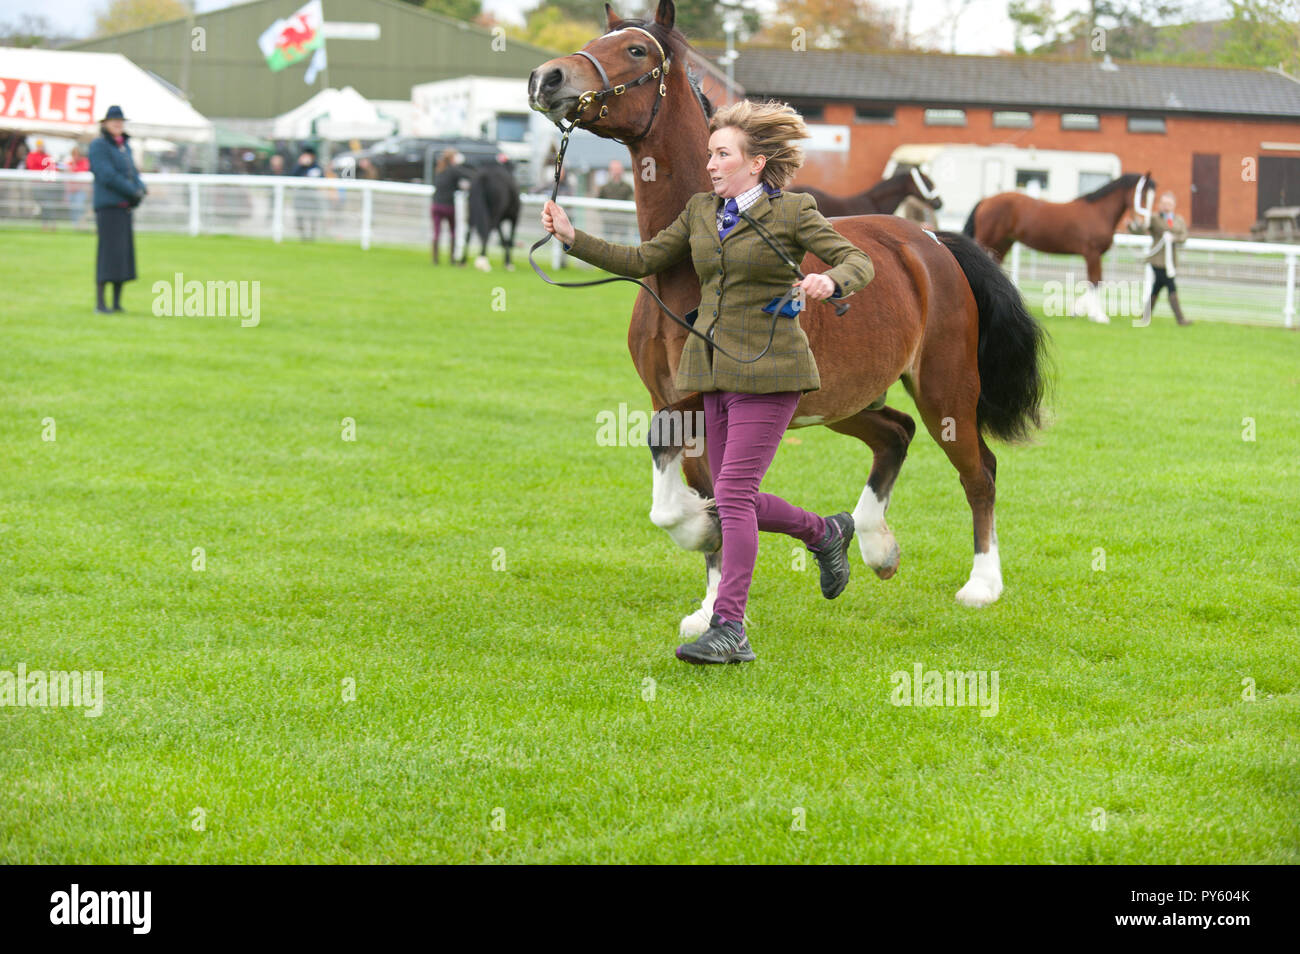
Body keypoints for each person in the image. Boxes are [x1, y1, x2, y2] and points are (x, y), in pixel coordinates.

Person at [541, 100, 875, 665]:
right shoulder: (701, 211)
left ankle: (730, 627)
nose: (712, 163)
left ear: (755, 163)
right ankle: (824, 532)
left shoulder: (794, 211)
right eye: (710, 153)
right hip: (713, 370)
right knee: (727, 498)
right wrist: (575, 239)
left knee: (735, 496)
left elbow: (857, 259)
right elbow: (643, 258)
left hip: (772, 372)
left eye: (723, 155)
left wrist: (829, 282)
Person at [88, 105, 146, 314]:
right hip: (108, 208)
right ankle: (101, 303)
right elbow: (107, 175)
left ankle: (117, 302)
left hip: (125, 209)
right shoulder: (98, 146)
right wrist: (132, 191)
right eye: (114, 121)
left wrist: (141, 189)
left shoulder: (125, 147)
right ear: (105, 123)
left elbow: (133, 173)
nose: (118, 124)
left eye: (120, 121)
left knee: (122, 255)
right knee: (108, 254)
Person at [1129, 190, 1191, 326]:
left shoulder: (1178, 220)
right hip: (1157, 260)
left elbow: (1184, 236)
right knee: (1170, 286)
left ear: (1174, 205)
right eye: (1163, 203)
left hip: (1171, 261)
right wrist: (1135, 225)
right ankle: (1180, 319)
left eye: (1168, 203)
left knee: (1157, 287)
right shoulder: (1154, 219)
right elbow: (1142, 228)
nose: (1165, 206)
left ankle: (1145, 316)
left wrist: (1173, 238)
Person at [432, 149, 472, 265]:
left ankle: (435, 259)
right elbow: (468, 175)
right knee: (453, 232)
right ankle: (452, 259)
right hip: (448, 206)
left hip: (436, 205)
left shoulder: (439, 169)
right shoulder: (454, 170)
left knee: (436, 232)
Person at [291, 145, 324, 241]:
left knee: (313, 216)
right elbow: (292, 176)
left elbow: (320, 178)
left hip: (312, 196)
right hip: (300, 195)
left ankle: (312, 235)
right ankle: (302, 235)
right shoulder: (299, 166)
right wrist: (301, 165)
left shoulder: (316, 167)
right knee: (300, 216)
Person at [65, 146, 91, 228]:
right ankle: (75, 226)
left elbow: (83, 171)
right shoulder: (70, 163)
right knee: (73, 209)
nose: (75, 157)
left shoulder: (85, 162)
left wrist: (73, 169)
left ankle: (81, 225)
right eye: (74, 155)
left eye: (77, 154)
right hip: (72, 191)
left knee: (80, 208)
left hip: (81, 191)